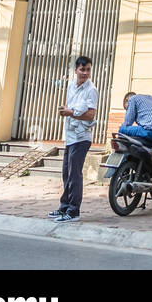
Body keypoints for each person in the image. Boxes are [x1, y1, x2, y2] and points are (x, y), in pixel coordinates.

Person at [48, 55, 98, 224]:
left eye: (88, 69)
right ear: (75, 70)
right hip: (69, 136)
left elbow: (91, 114)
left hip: (81, 137)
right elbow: (70, 107)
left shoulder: (91, 90)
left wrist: (70, 113)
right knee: (66, 173)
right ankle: (64, 206)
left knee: (74, 174)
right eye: (82, 69)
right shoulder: (71, 86)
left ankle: (74, 210)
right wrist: (66, 110)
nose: (85, 73)